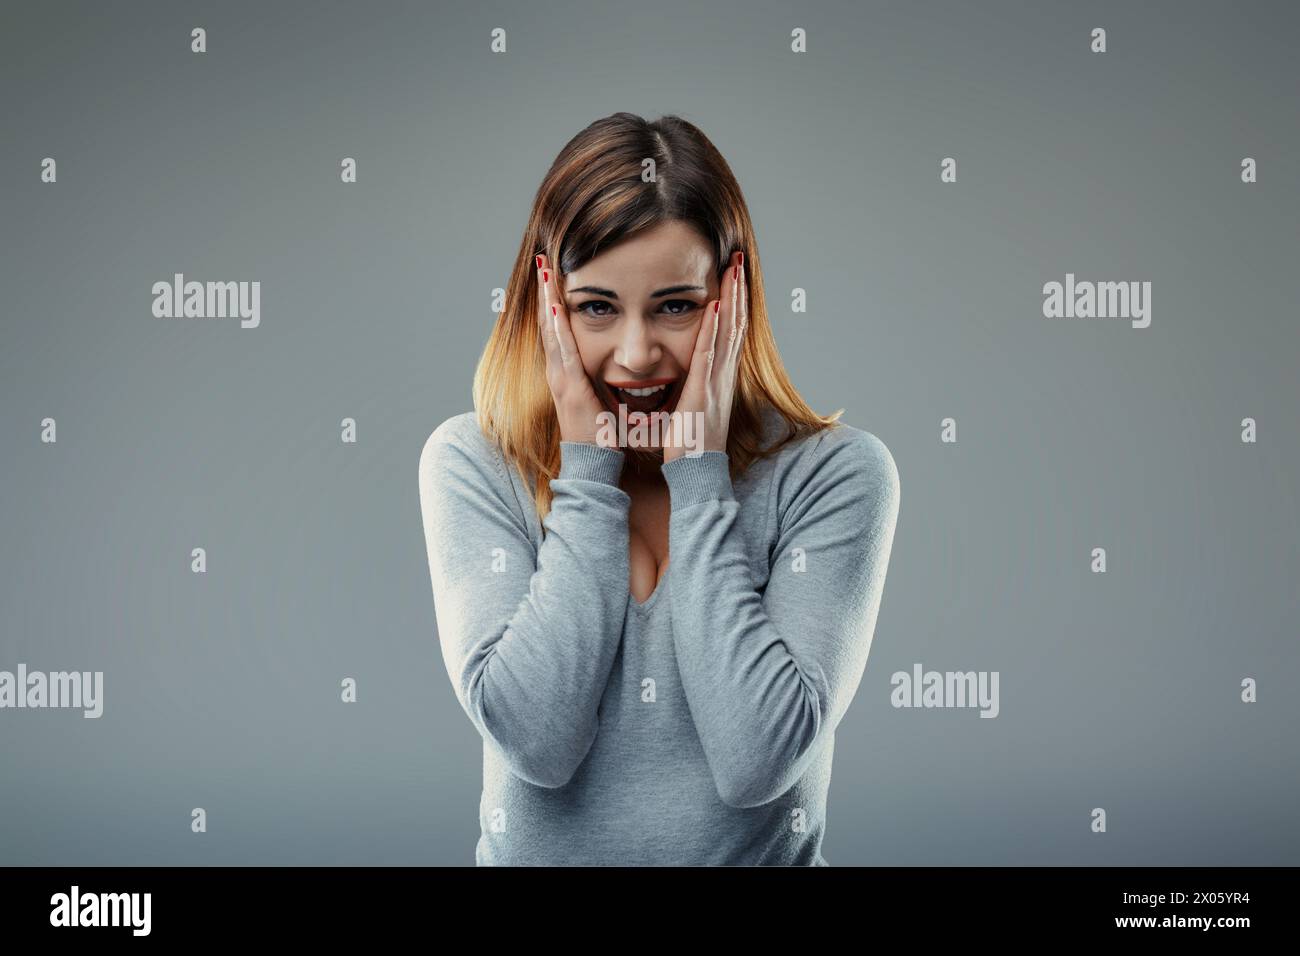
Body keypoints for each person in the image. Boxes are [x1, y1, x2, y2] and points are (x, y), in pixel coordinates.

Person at [419, 112, 901, 865]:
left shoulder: (835, 475)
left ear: (731, 297)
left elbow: (758, 763)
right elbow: (536, 742)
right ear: (547, 300)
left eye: (675, 305)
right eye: (596, 308)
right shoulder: (476, 462)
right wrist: (586, 471)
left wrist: (700, 477)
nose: (636, 355)